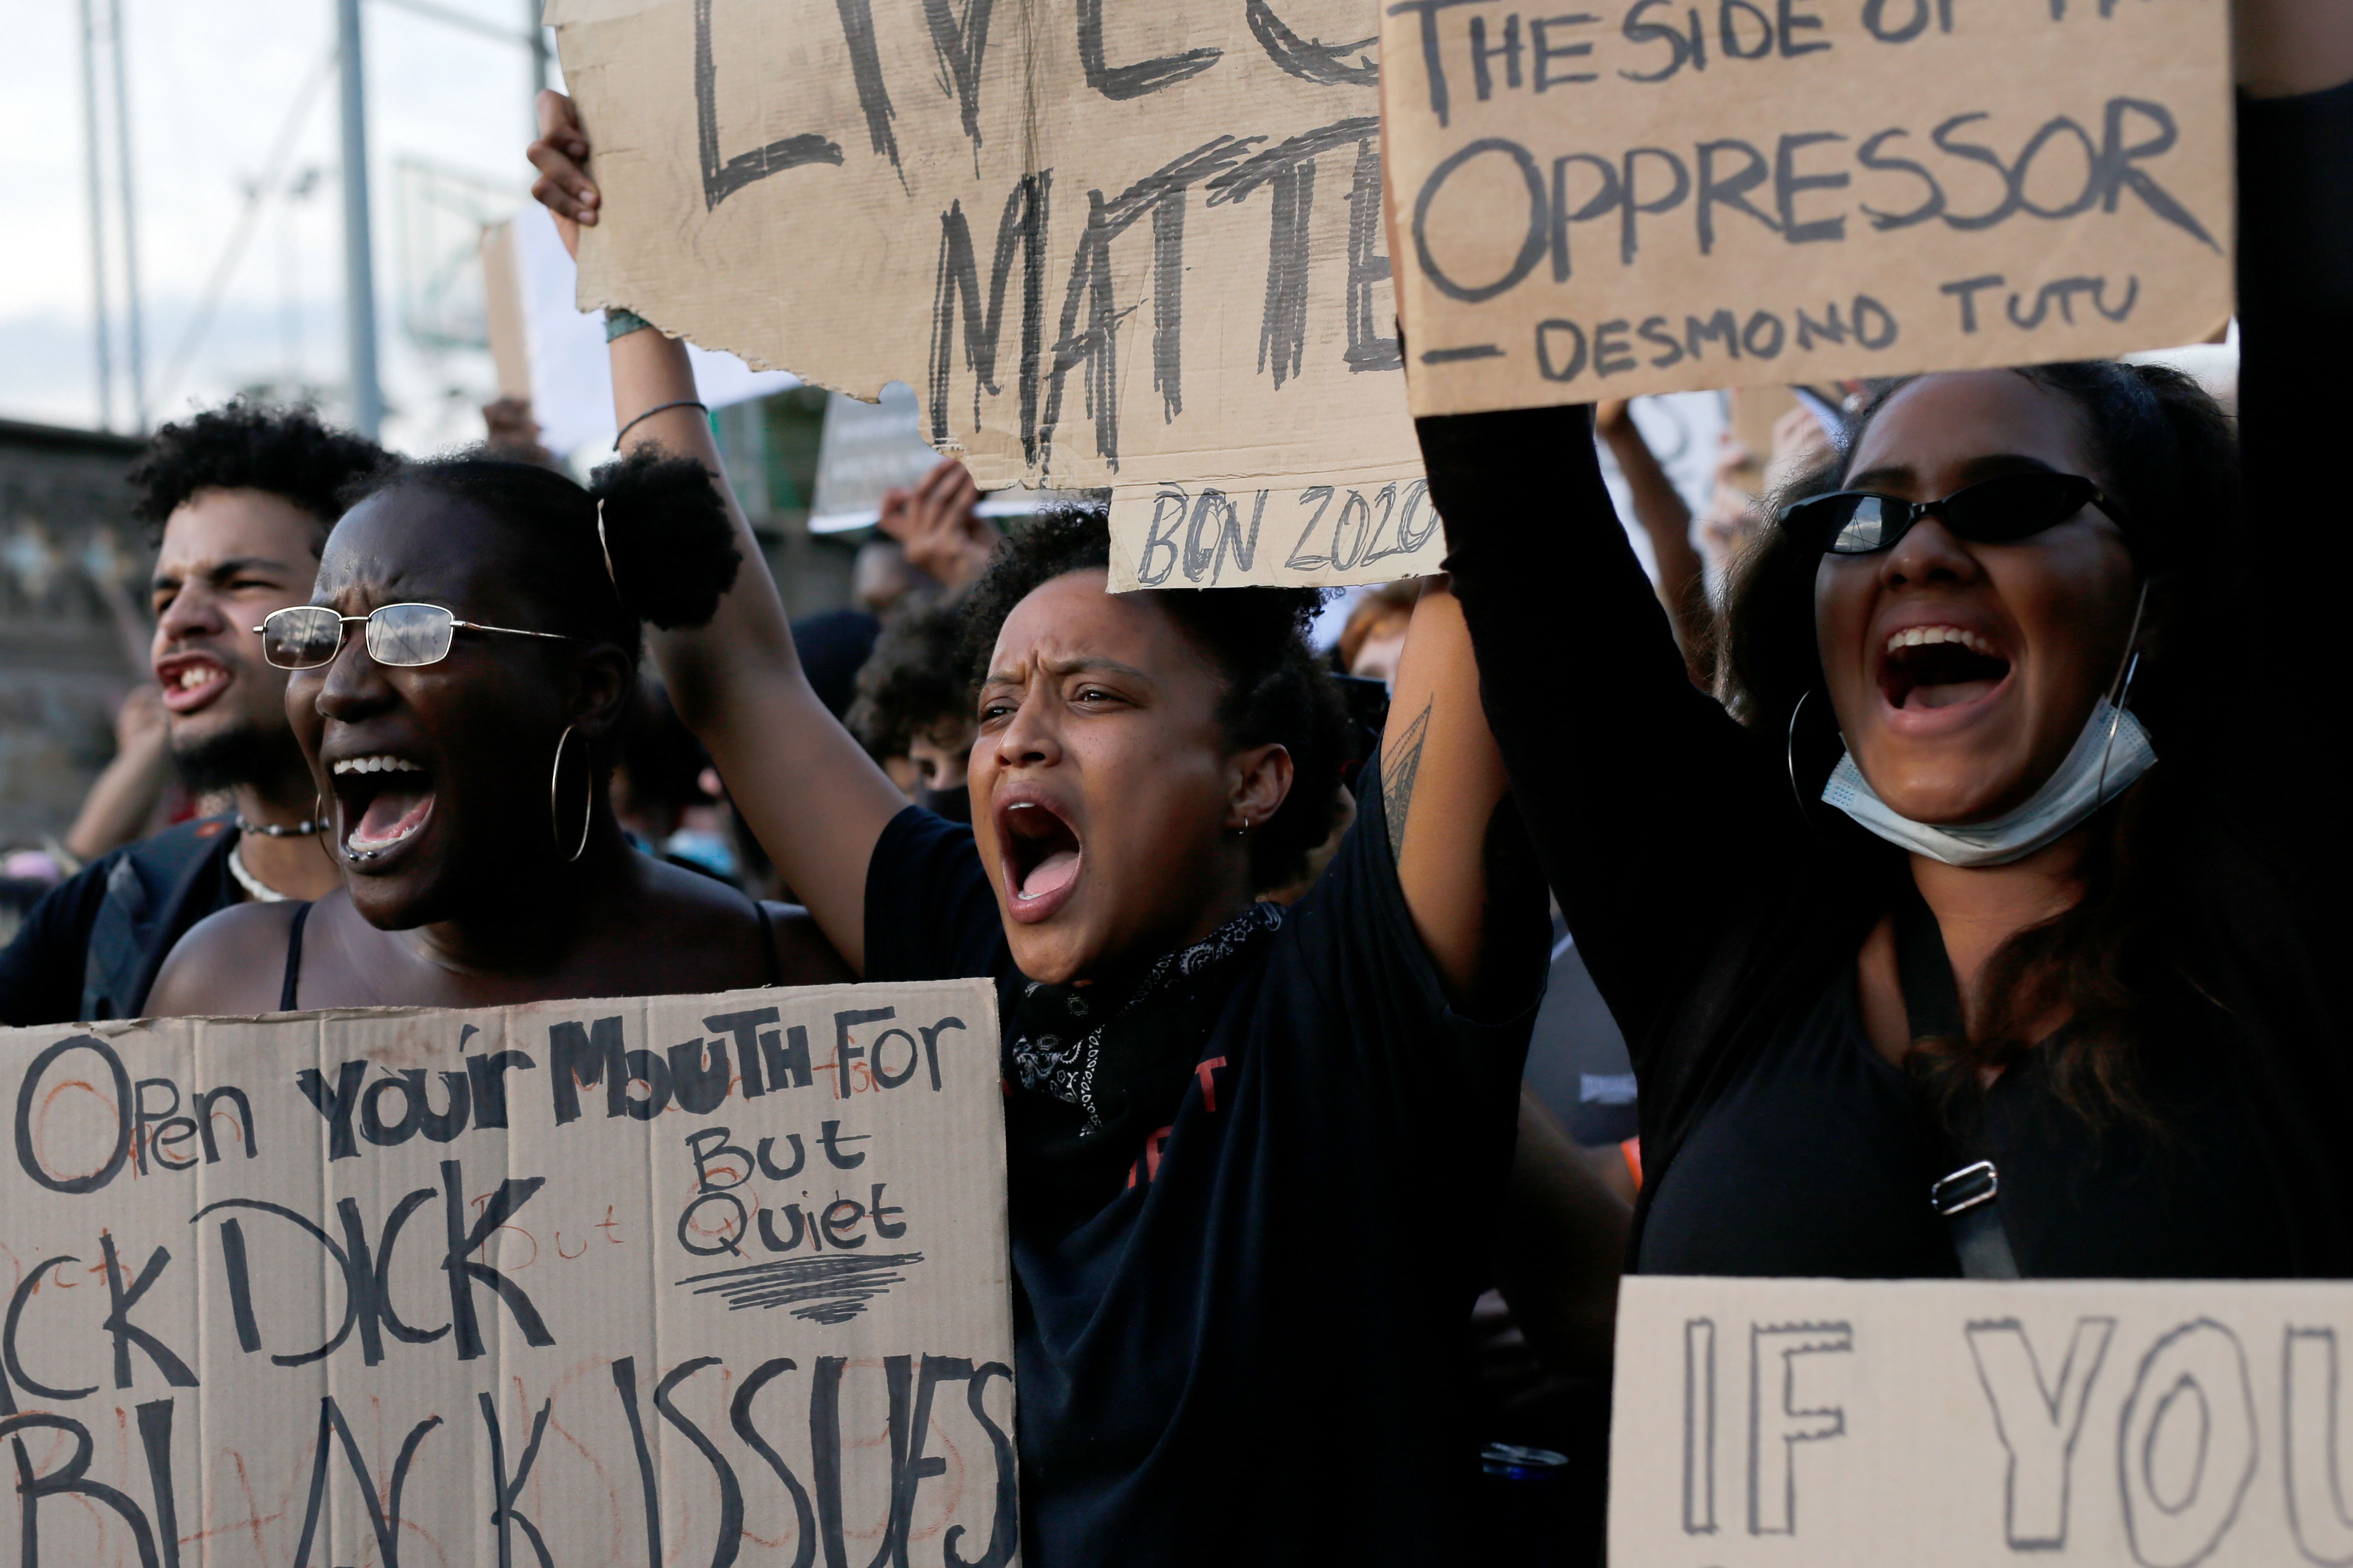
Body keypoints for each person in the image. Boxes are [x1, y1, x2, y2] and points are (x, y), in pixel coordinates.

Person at [527, 91, 1588, 1563]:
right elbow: (735, 670)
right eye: (998, 699)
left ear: (1254, 777)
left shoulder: (1345, 1005)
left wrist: (1468, 201)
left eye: (1089, 693)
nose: (1017, 731)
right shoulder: (969, 946)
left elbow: (1499, 587)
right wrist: (628, 275)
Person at [1411, 0, 2353, 1280]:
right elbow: (1503, 482)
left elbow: (2322, 294)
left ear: (2159, 595)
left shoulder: (2276, 897)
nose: (1915, 549)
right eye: (1861, 514)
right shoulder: (1715, 929)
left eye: (2006, 501)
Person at [147, 450, 849, 1014]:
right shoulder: (226, 989)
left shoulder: (789, 980)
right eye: (320, 636)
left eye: (414, 632)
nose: (339, 688)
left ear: (589, 689)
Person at [0, 401, 384, 1025]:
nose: (179, 621)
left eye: (239, 584)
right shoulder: (116, 908)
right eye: (165, 593)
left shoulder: (484, 892)